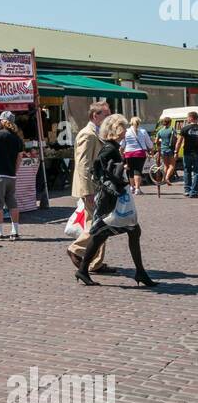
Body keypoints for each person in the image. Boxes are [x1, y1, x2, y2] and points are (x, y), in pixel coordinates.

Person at [74, 115, 156, 288]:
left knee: (123, 232)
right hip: (111, 200)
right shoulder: (110, 149)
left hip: (112, 199)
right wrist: (123, 169)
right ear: (116, 130)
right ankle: (83, 269)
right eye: (123, 128)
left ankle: (139, 271)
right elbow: (105, 171)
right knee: (101, 234)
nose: (125, 131)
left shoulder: (111, 147)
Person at [67, 102, 113, 274]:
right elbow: (83, 165)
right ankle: (76, 248)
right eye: (106, 115)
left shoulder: (97, 133)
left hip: (97, 186)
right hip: (91, 188)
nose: (109, 118)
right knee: (99, 225)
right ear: (95, 115)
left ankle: (96, 262)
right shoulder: (87, 134)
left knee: (98, 223)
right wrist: (88, 191)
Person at [0, 111, 24, 241]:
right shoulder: (17, 138)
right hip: (11, 175)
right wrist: (15, 170)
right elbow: (20, 157)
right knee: (12, 203)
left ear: (3, 121)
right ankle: (15, 231)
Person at [123, 116, 153, 195]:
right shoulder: (143, 131)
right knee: (138, 171)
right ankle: (137, 189)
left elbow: (122, 144)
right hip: (140, 153)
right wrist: (151, 149)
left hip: (128, 153)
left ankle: (131, 187)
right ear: (139, 123)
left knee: (130, 171)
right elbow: (149, 143)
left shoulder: (126, 131)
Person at [179, 111, 198, 197]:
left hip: (187, 153)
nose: (187, 119)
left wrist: (176, 152)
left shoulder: (184, 129)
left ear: (191, 118)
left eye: (187, 117)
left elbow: (179, 141)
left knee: (187, 171)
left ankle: (187, 190)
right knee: (196, 172)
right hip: (197, 153)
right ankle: (194, 191)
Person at [156, 117, 176, 185]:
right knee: (172, 165)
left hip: (163, 150)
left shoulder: (160, 131)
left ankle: (164, 179)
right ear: (170, 122)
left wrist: (159, 146)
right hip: (170, 149)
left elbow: (156, 141)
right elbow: (176, 139)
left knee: (165, 165)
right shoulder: (172, 130)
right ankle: (167, 178)